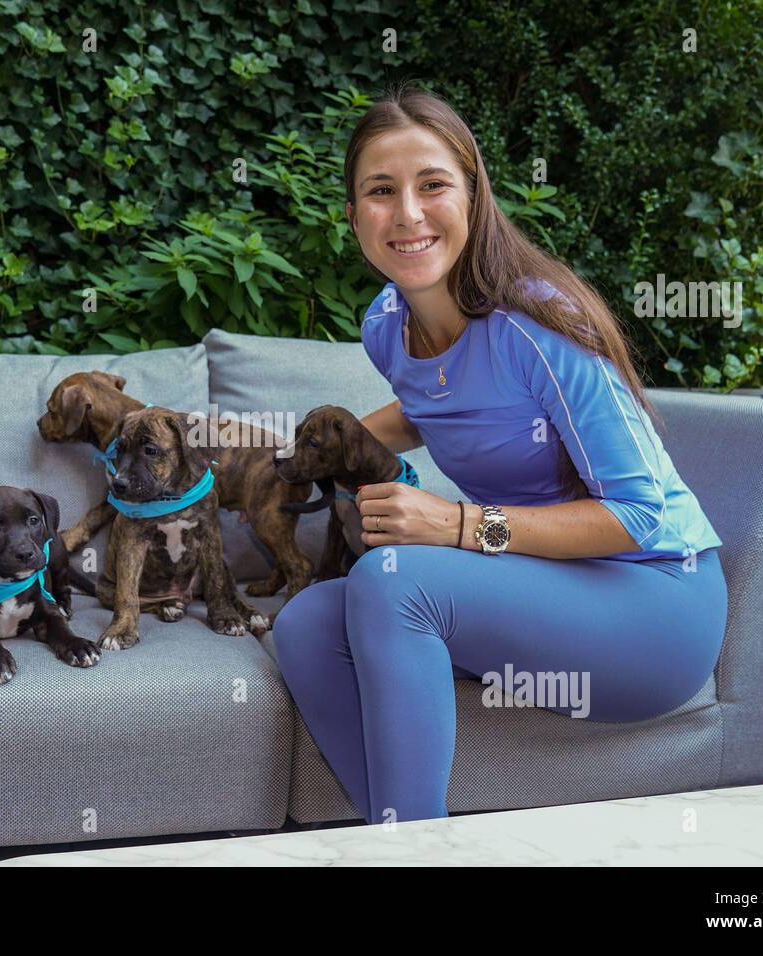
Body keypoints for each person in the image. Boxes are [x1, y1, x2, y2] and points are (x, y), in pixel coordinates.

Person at [271, 83, 728, 826]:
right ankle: (409, 838)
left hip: (654, 599)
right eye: (381, 191)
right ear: (354, 217)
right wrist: (300, 456)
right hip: (542, 580)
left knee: (393, 580)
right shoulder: (386, 327)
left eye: (433, 185)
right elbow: (438, 401)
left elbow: (640, 514)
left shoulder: (538, 325)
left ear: (475, 197)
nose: (408, 214)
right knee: (305, 626)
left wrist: (455, 525)